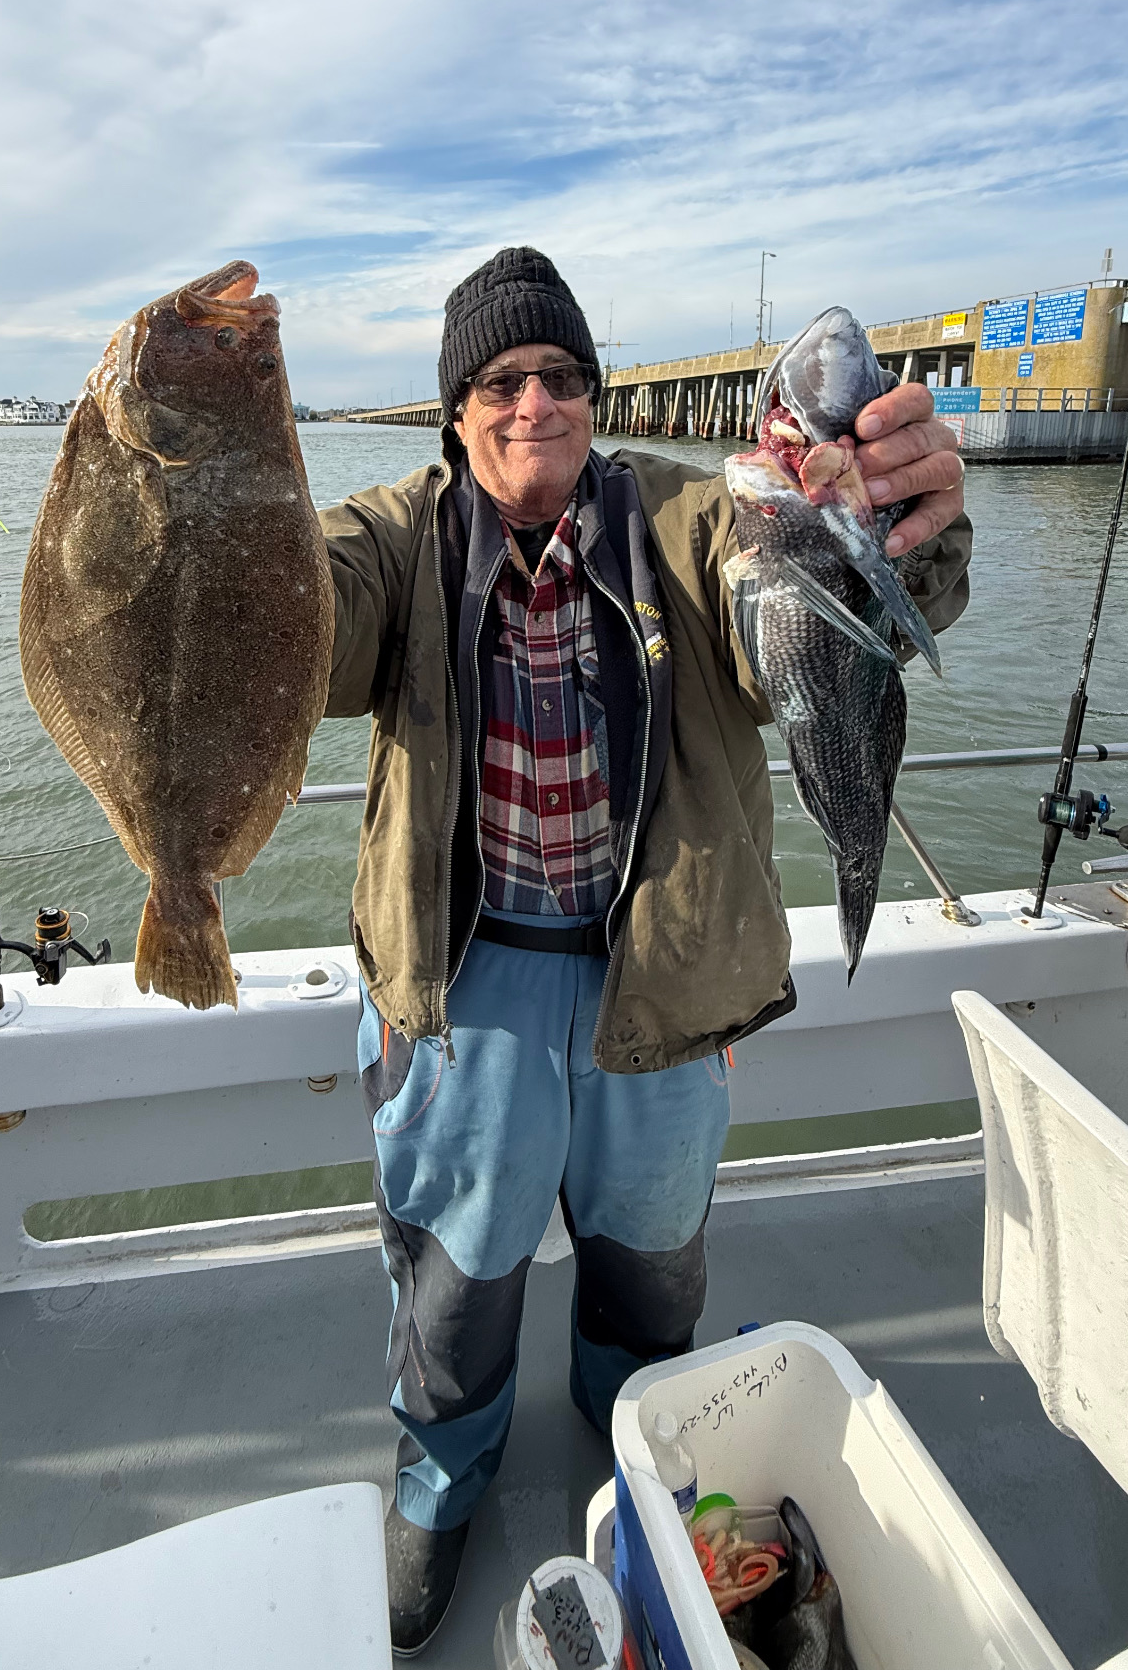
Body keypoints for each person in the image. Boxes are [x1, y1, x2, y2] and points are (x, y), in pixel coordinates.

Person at [318, 248, 970, 1655]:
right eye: (501, 380)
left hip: (656, 979)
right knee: (452, 1273)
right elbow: (303, 626)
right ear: (455, 409)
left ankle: (637, 1446)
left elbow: (825, 602)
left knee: (652, 1264)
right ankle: (439, 1482)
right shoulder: (391, 538)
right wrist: (212, 539)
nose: (534, 402)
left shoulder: (695, 514)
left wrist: (902, 523)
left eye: (561, 375)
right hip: (467, 984)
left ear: (594, 395)